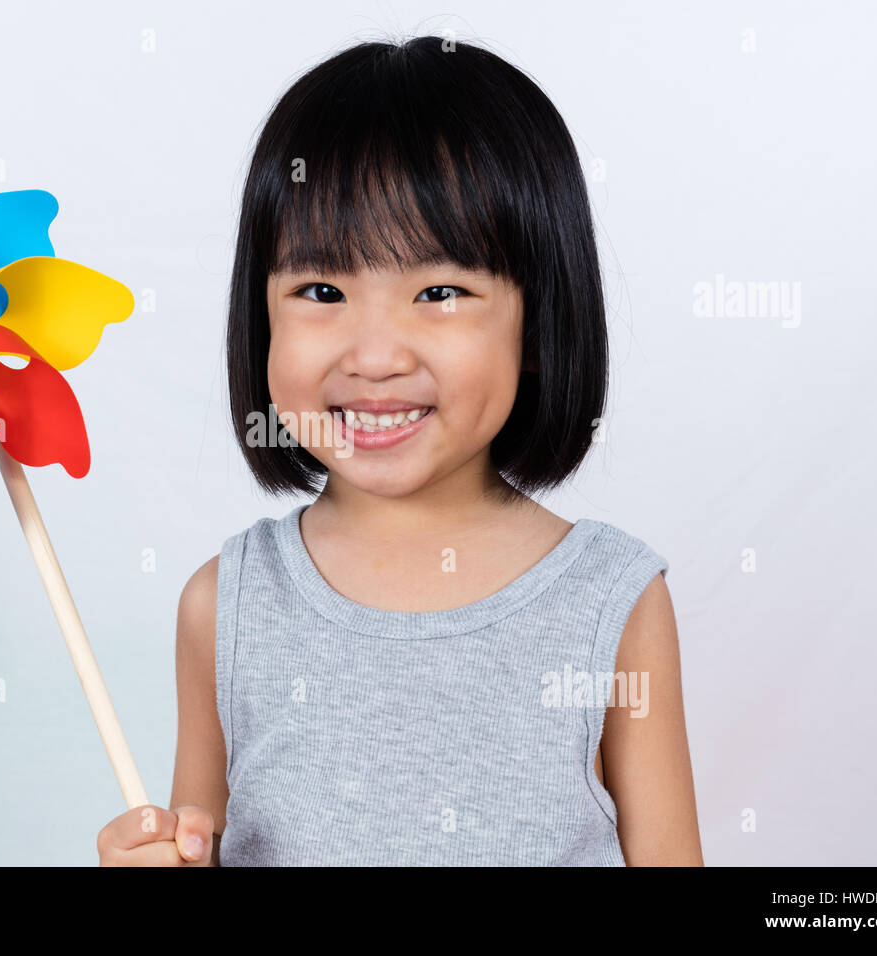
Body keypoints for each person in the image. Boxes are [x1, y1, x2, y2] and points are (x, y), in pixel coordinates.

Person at [98, 34, 702, 866]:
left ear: (537, 319)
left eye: (441, 292)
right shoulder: (225, 606)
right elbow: (198, 843)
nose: (375, 354)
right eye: (321, 291)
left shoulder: (613, 602)